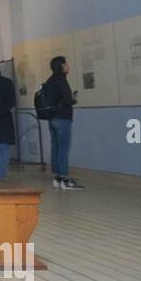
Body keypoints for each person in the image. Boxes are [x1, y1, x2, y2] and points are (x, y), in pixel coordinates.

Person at [44, 55, 84, 190]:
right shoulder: (61, 80)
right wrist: (74, 98)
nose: (68, 66)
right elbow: (68, 100)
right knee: (63, 149)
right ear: (61, 66)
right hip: (63, 118)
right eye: (67, 63)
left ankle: (57, 177)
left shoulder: (49, 81)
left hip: (52, 118)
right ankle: (65, 179)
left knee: (55, 147)